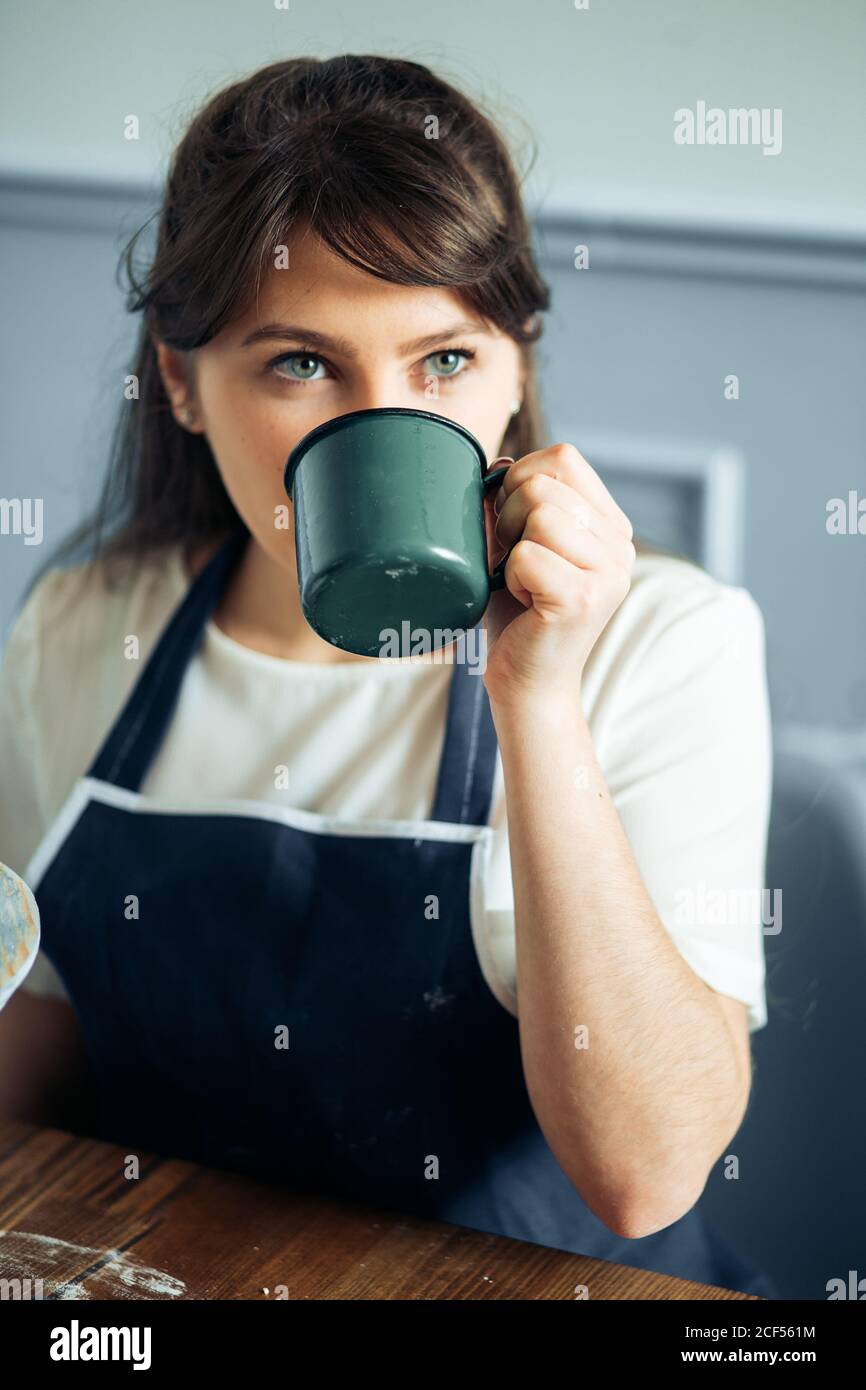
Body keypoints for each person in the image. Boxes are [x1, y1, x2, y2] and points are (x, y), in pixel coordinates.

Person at [0, 56, 776, 1298]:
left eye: (445, 362)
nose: (379, 417)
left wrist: (534, 698)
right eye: (300, 363)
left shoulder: (663, 641)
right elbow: (37, 1036)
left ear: (516, 368)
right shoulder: (91, 625)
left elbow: (643, 1172)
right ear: (184, 382)